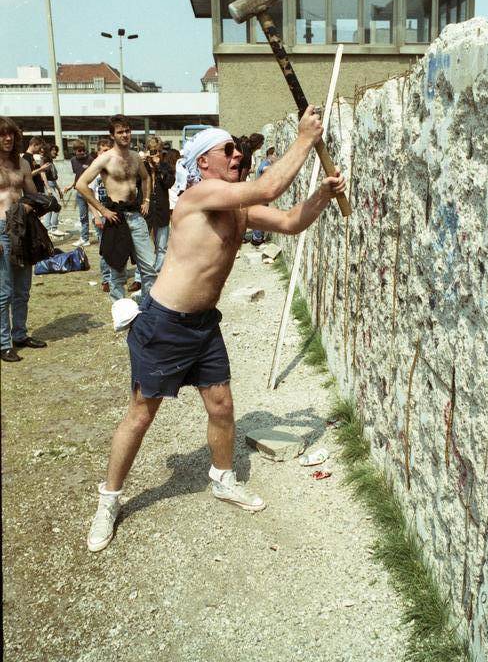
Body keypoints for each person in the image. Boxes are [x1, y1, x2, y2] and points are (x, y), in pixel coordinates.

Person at [86, 106, 345, 552]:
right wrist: (305, 138)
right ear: (204, 162)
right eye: (228, 150)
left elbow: (289, 221)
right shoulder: (200, 195)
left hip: (203, 323)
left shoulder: (238, 209)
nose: (237, 155)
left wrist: (322, 194)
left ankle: (223, 478)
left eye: (237, 149)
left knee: (222, 405)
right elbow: (269, 186)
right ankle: (108, 500)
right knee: (142, 415)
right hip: (164, 322)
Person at [75, 115, 157, 302]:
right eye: (120, 132)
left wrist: (146, 200)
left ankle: (148, 309)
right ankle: (119, 309)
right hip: (116, 217)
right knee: (117, 270)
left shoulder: (135, 157)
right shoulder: (105, 159)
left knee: (149, 268)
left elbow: (146, 177)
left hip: (135, 215)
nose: (125, 135)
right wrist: (102, 210)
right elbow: (81, 184)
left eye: (127, 131)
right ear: (112, 135)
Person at [0, 118, 47, 362]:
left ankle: (19, 334)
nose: (7, 138)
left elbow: (32, 195)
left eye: (11, 134)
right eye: (2, 134)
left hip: (23, 228)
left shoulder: (23, 164)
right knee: (4, 292)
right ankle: (3, 342)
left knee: (22, 289)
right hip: (1, 229)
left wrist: (34, 204)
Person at [128, 136, 175, 291]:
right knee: (141, 246)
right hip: (145, 209)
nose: (154, 153)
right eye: (151, 150)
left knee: (161, 246)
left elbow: (169, 183)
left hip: (161, 209)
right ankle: (139, 278)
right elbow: (132, 183)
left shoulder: (166, 166)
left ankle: (156, 275)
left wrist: (158, 166)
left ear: (161, 151)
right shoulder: (141, 165)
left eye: (156, 150)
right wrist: (140, 164)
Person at [87, 138, 113, 293]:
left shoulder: (114, 168)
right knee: (105, 249)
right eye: (104, 150)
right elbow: (89, 196)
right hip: (101, 215)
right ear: (98, 152)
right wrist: (96, 215)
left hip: (114, 213)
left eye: (109, 150)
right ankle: (106, 279)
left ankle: (115, 276)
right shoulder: (94, 170)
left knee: (116, 247)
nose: (107, 153)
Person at [64, 140, 91, 247]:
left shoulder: (90, 160)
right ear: (75, 151)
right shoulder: (73, 161)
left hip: (89, 191)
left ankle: (101, 237)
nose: (82, 152)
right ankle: (85, 238)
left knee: (97, 216)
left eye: (83, 150)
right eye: (79, 151)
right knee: (83, 216)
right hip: (79, 191)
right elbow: (78, 175)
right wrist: (71, 186)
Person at [251, 146, 277, 247]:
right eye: (275, 155)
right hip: (260, 195)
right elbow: (264, 169)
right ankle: (257, 239)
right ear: (270, 156)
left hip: (261, 194)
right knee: (260, 216)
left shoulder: (266, 163)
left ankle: (257, 237)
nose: (276, 158)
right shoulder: (265, 164)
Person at [42, 144, 65, 237]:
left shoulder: (50, 161)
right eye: (53, 150)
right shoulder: (45, 160)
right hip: (48, 185)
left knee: (49, 207)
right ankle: (53, 228)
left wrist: (59, 190)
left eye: (56, 150)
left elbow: (53, 178)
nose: (55, 152)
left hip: (52, 185)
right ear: (48, 151)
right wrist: (48, 188)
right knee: (56, 205)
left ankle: (48, 228)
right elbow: (43, 174)